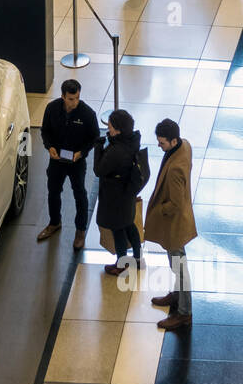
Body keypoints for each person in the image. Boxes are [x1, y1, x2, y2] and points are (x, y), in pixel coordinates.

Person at [145, 118, 198, 331]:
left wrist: (159, 210)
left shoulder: (175, 169)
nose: (159, 145)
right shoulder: (184, 145)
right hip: (179, 221)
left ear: (173, 140)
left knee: (180, 267)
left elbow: (174, 204)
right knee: (177, 264)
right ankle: (177, 295)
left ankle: (184, 313)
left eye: (162, 143)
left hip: (174, 224)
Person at [37, 79, 101, 251]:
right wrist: (49, 147)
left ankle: (80, 230)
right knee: (53, 191)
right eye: (71, 99)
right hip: (57, 159)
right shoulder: (51, 109)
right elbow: (45, 131)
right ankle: (54, 222)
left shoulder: (87, 114)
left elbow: (94, 137)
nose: (75, 102)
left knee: (80, 194)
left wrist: (82, 153)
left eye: (77, 98)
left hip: (76, 162)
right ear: (63, 96)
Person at [93, 110, 143, 277]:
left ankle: (121, 264)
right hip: (127, 192)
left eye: (111, 126)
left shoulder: (117, 151)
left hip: (115, 196)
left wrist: (98, 147)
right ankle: (137, 257)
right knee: (129, 223)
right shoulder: (132, 141)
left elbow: (99, 170)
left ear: (119, 129)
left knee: (118, 228)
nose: (109, 129)